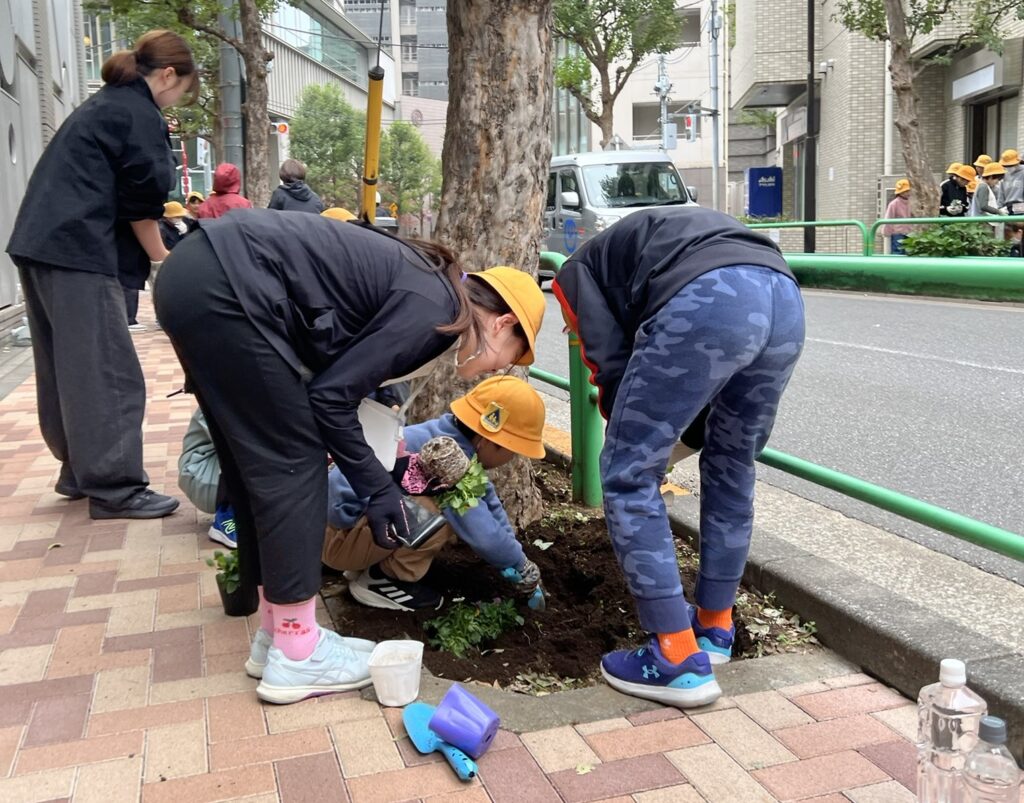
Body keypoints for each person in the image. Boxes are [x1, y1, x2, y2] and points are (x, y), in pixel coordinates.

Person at [154, 210, 545, 704]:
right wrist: (377, 490)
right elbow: (329, 399)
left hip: (196, 273)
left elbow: (332, 383)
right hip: (228, 284)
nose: (501, 368)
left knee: (256, 465)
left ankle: (277, 633)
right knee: (293, 463)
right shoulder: (437, 311)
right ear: (504, 323)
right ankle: (299, 652)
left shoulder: (432, 291)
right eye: (512, 354)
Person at [552, 206, 804, 708]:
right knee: (732, 465)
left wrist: (636, 443)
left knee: (626, 474)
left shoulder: (573, 275)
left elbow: (609, 367)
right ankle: (714, 628)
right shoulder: (638, 245)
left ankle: (674, 656)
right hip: (784, 297)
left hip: (709, 297)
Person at [5, 29, 195, 520]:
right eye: (182, 90)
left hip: (42, 243)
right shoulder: (138, 114)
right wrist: (164, 260)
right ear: (168, 75)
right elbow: (142, 200)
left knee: (66, 367)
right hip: (78, 250)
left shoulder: (106, 104)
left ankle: (79, 470)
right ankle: (115, 486)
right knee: (107, 371)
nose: (177, 99)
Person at [324, 375, 547, 611]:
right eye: (512, 450)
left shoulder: (444, 437)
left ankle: (362, 558)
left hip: (326, 527)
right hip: (335, 540)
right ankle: (383, 581)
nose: (511, 458)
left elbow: (487, 497)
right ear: (486, 441)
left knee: (431, 505)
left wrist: (518, 556)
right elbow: (484, 535)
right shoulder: (446, 463)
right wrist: (518, 565)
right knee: (439, 512)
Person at [882, 179, 912, 255]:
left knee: (909, 253)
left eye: (908, 191)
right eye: (905, 191)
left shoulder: (911, 202)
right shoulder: (894, 204)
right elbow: (889, 217)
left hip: (909, 232)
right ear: (900, 192)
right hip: (897, 233)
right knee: (898, 252)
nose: (907, 193)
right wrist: (886, 232)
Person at [997, 149, 1023, 215]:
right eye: (1006, 166)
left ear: (1018, 162)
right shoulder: (1005, 175)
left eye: (1011, 165)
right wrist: (999, 209)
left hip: (1021, 206)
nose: (1008, 167)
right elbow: (1001, 194)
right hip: (1007, 208)